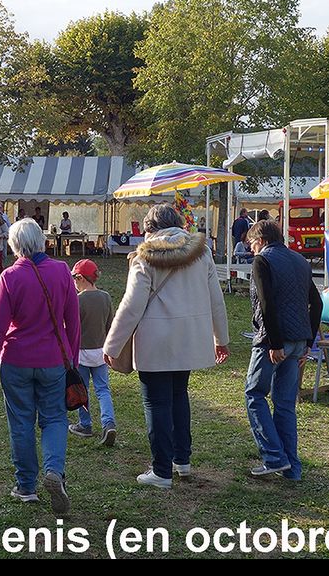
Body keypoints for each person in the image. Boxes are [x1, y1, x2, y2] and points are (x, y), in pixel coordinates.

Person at [103, 204, 230, 489]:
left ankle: (161, 470)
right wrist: (221, 338)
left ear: (150, 229)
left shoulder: (144, 257)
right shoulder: (203, 251)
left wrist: (112, 344)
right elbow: (215, 298)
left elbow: (131, 305)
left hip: (155, 338)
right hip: (189, 336)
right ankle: (181, 461)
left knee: (156, 403)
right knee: (178, 397)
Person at [0, 219, 79, 517]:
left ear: (14, 245)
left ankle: (26, 486)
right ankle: (54, 471)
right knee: (54, 419)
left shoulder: (10, 276)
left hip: (16, 359)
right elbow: (73, 321)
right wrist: (72, 359)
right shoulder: (63, 271)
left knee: (21, 423)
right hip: (53, 359)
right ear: (42, 241)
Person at [244, 220, 322, 480]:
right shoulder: (300, 261)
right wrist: (308, 343)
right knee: (285, 404)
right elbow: (316, 303)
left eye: (252, 244)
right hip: (299, 339)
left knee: (255, 394)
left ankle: (274, 457)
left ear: (262, 240)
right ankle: (292, 468)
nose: (252, 250)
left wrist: (274, 343)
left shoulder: (262, 262)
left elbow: (266, 304)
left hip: (273, 341)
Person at [68, 259, 116, 446]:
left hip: (81, 353)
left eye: (74, 278)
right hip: (101, 351)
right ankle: (108, 422)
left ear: (80, 278)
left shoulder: (77, 300)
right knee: (103, 390)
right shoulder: (105, 297)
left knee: (83, 389)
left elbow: (72, 329)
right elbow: (110, 325)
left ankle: (85, 424)